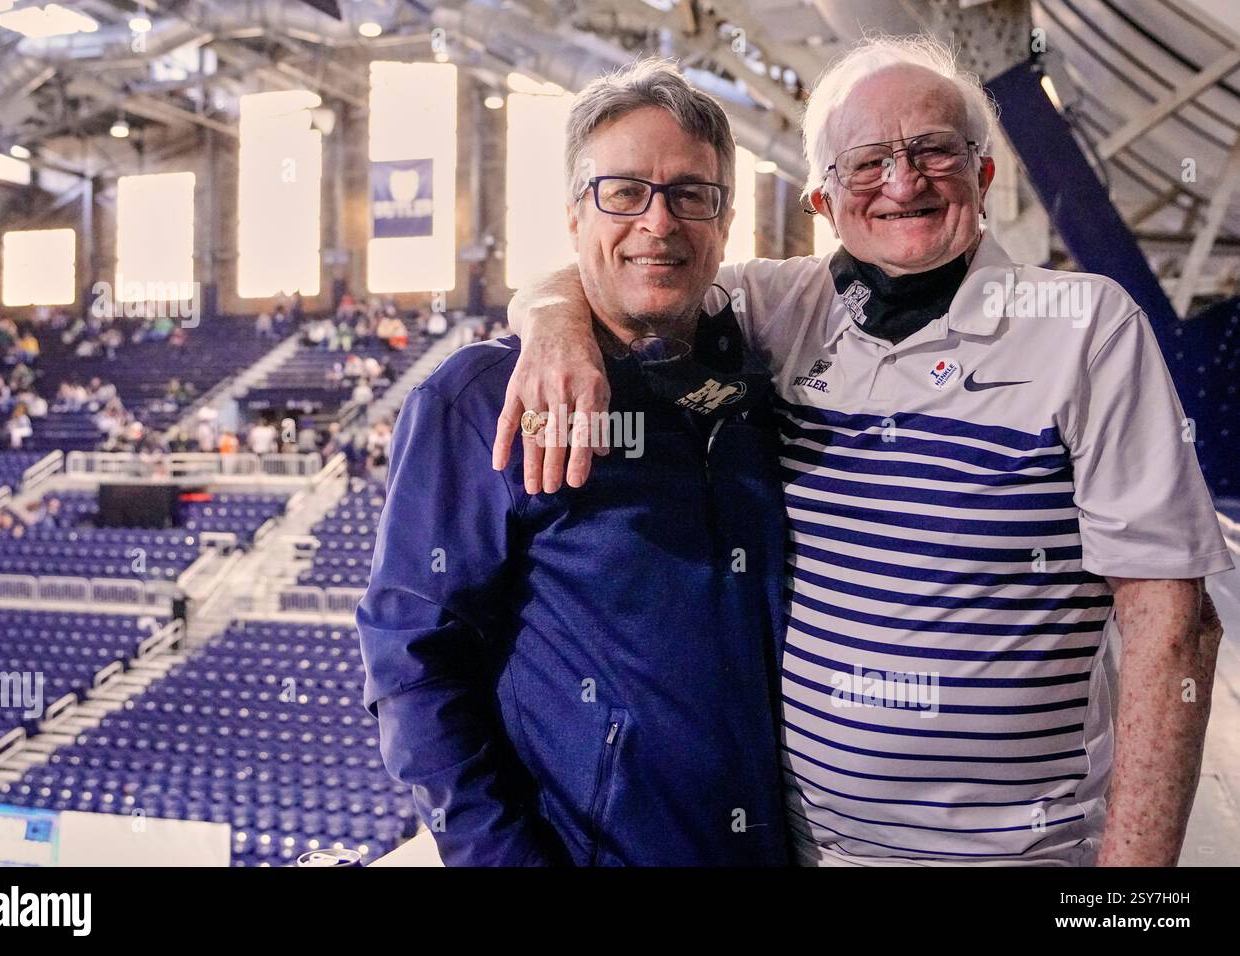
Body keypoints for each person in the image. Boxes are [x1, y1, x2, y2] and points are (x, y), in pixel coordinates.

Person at [500, 37, 1231, 867]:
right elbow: (630, 258)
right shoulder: (780, 308)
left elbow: (1173, 626)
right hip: (806, 852)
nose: (904, 181)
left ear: (984, 175)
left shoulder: (1087, 329)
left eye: (933, 151)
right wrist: (555, 320)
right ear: (822, 200)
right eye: (868, 161)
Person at [358, 58, 791, 867]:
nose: (658, 223)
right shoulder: (483, 398)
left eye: (690, 194)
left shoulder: (763, 382)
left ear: (724, 223)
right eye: (623, 192)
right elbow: (414, 663)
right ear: (572, 214)